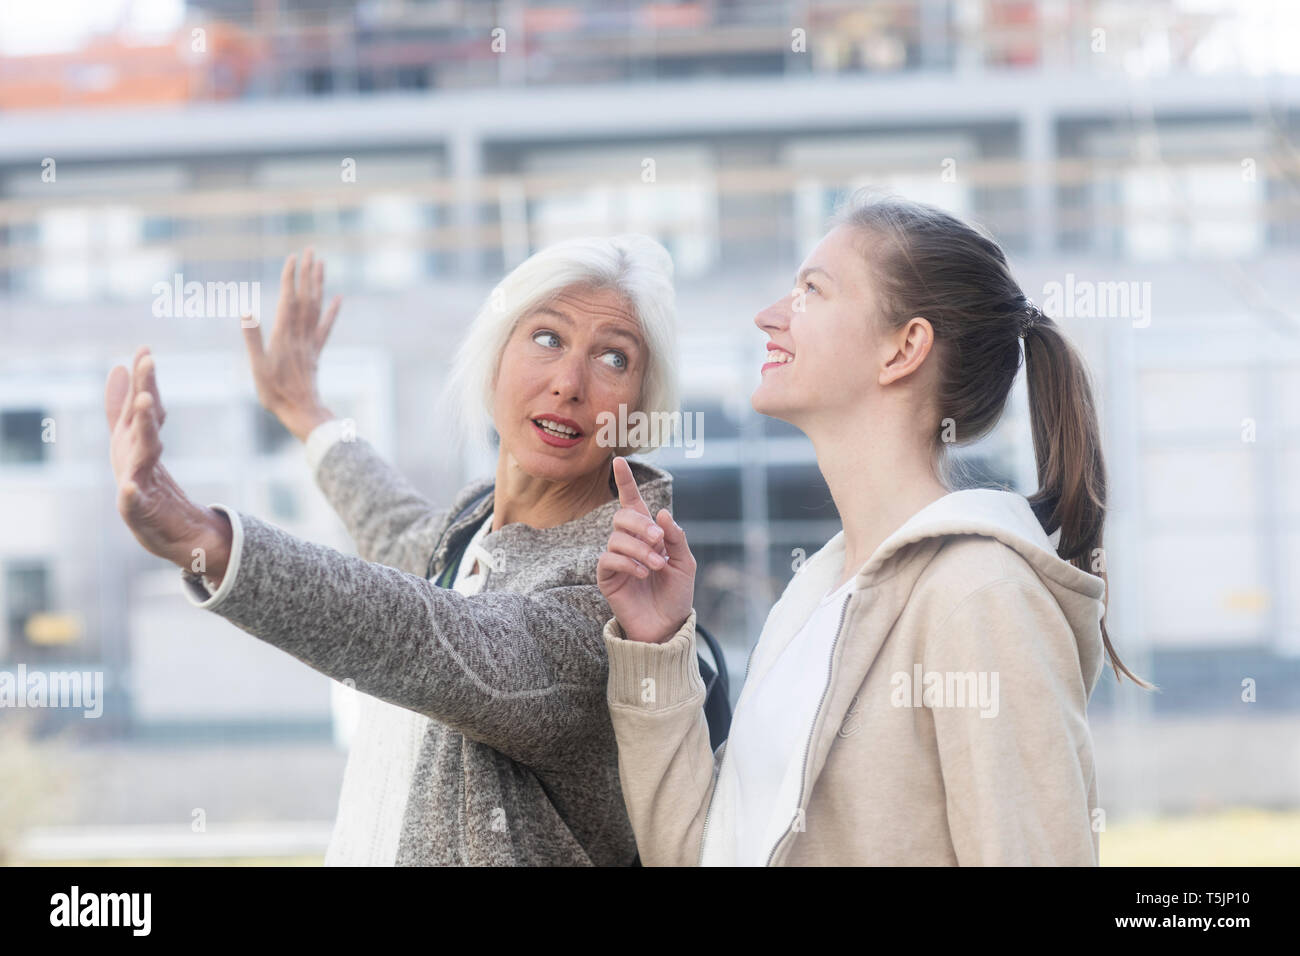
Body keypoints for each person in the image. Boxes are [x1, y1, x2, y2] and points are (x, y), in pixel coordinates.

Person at [595, 191, 1154, 866]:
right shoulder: (816, 599)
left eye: (811, 290)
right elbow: (694, 854)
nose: (769, 317)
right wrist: (655, 646)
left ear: (904, 348)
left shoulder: (979, 594)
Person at [104, 234, 680, 865]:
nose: (569, 383)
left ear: (643, 408)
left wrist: (206, 540)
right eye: (547, 338)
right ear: (494, 359)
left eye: (614, 359)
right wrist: (308, 415)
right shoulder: (473, 526)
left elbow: (420, 632)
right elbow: (396, 529)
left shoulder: (616, 595)